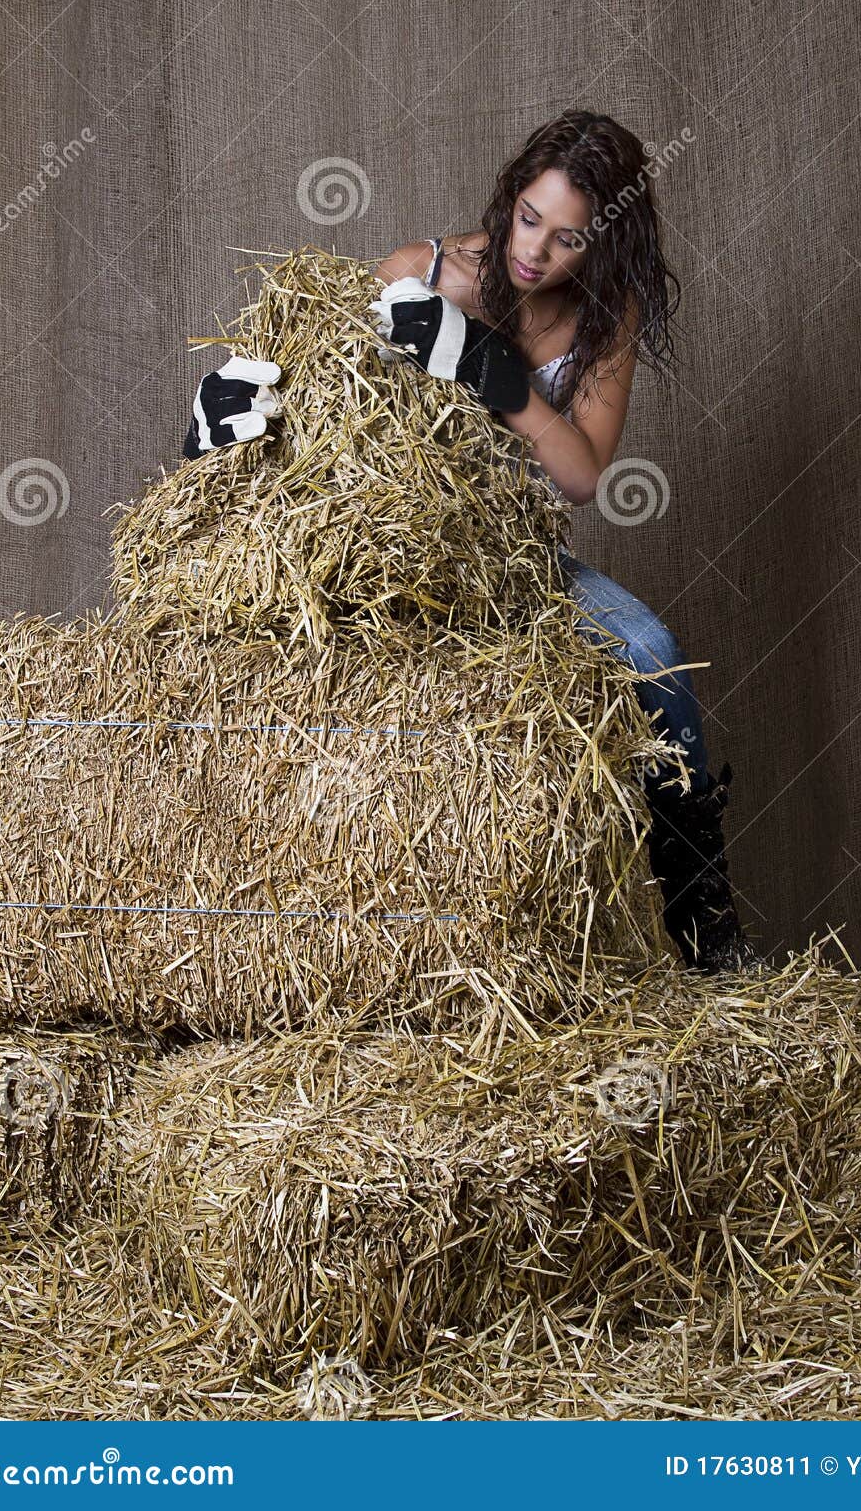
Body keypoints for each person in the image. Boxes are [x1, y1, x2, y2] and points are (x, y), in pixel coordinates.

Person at [182, 110, 760, 975]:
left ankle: (699, 913)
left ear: (602, 246)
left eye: (567, 239)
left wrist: (500, 382)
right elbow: (331, 414)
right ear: (509, 195)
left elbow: (580, 472)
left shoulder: (607, 316)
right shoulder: (419, 272)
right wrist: (217, 426)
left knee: (650, 649)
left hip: (512, 558)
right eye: (528, 218)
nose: (536, 251)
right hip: (394, 546)